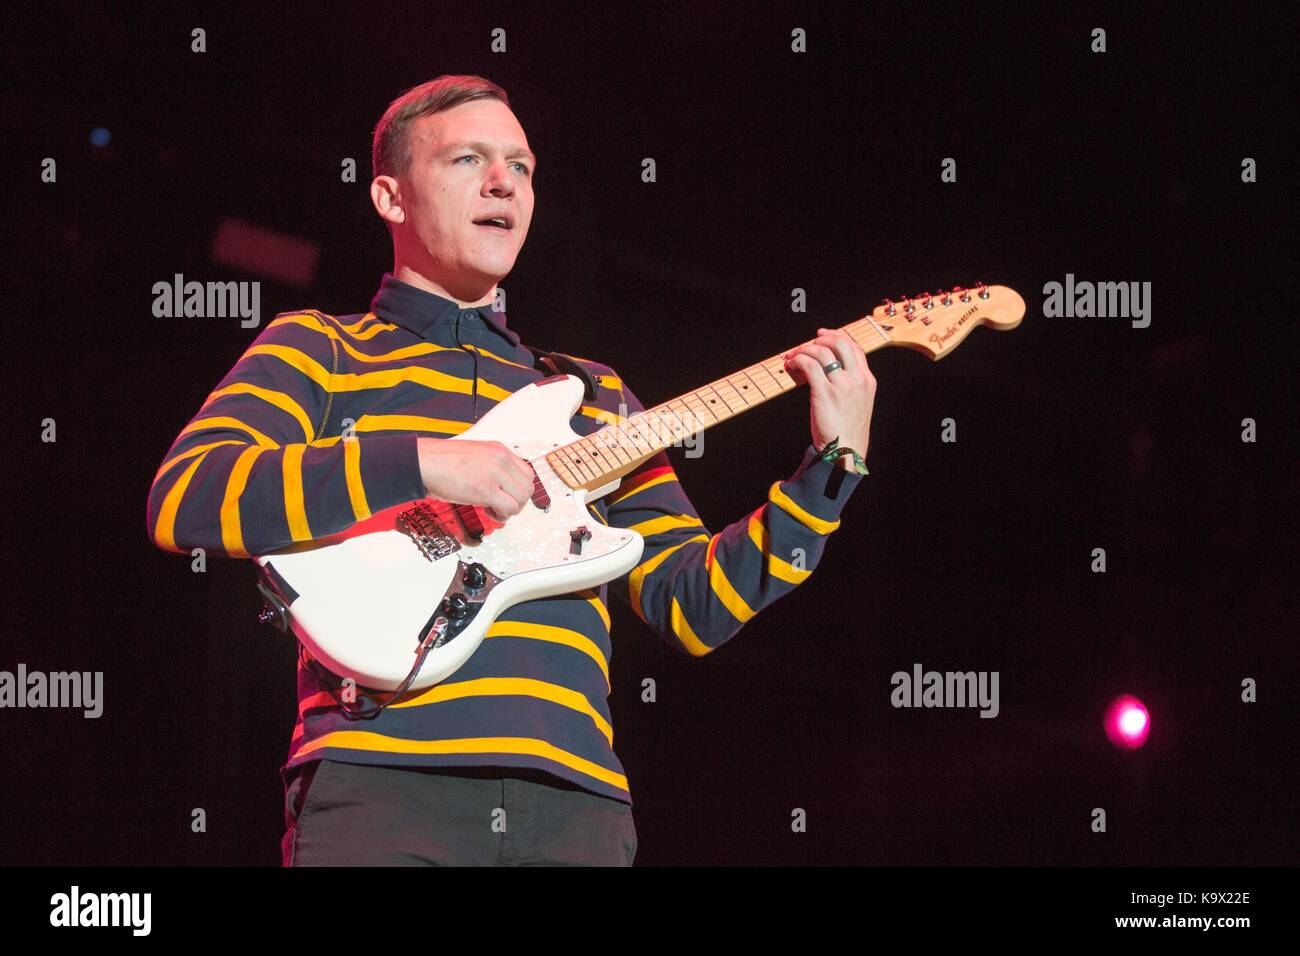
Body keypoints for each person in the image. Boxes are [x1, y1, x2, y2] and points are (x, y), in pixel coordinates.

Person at [145, 74, 877, 866]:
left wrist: (831, 469)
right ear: (390, 197)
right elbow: (188, 496)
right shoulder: (320, 348)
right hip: (384, 782)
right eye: (468, 159)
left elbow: (695, 607)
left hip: (576, 805)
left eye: (520, 166)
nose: (504, 182)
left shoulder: (594, 393)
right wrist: (424, 464)